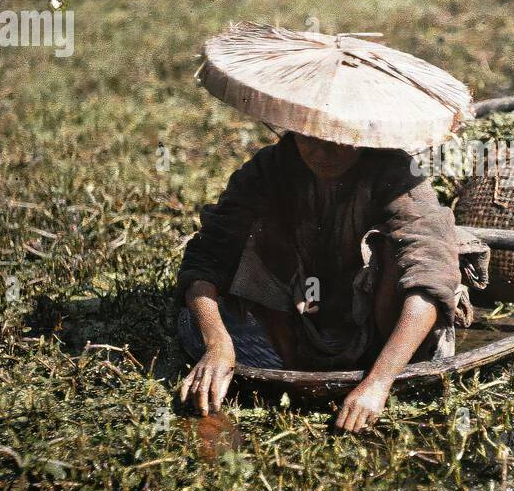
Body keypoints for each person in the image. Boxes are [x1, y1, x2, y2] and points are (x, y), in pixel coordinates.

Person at [175, 131, 465, 432]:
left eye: (340, 140)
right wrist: (218, 344)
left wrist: (379, 383)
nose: (324, 154)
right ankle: (297, 364)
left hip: (380, 330)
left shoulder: (397, 171)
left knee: (393, 249)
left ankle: (383, 364)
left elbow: (428, 279)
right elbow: (206, 257)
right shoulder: (270, 168)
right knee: (254, 236)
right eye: (311, 139)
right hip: (307, 320)